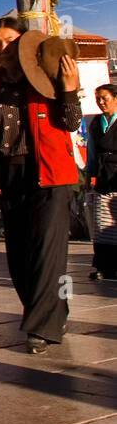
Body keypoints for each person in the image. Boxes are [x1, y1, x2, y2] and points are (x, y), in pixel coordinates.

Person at [0, 17, 81, 353]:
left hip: (51, 174)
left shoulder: (46, 77)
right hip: (9, 176)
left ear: (25, 43)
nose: (2, 49)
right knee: (19, 256)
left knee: (48, 250)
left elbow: (71, 123)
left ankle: (42, 327)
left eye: (9, 41)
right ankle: (51, 313)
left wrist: (70, 89)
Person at [85, 84, 117, 280]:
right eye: (98, 98)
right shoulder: (96, 123)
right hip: (104, 177)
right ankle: (104, 266)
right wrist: (89, 175)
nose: (101, 102)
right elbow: (92, 152)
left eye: (104, 97)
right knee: (101, 226)